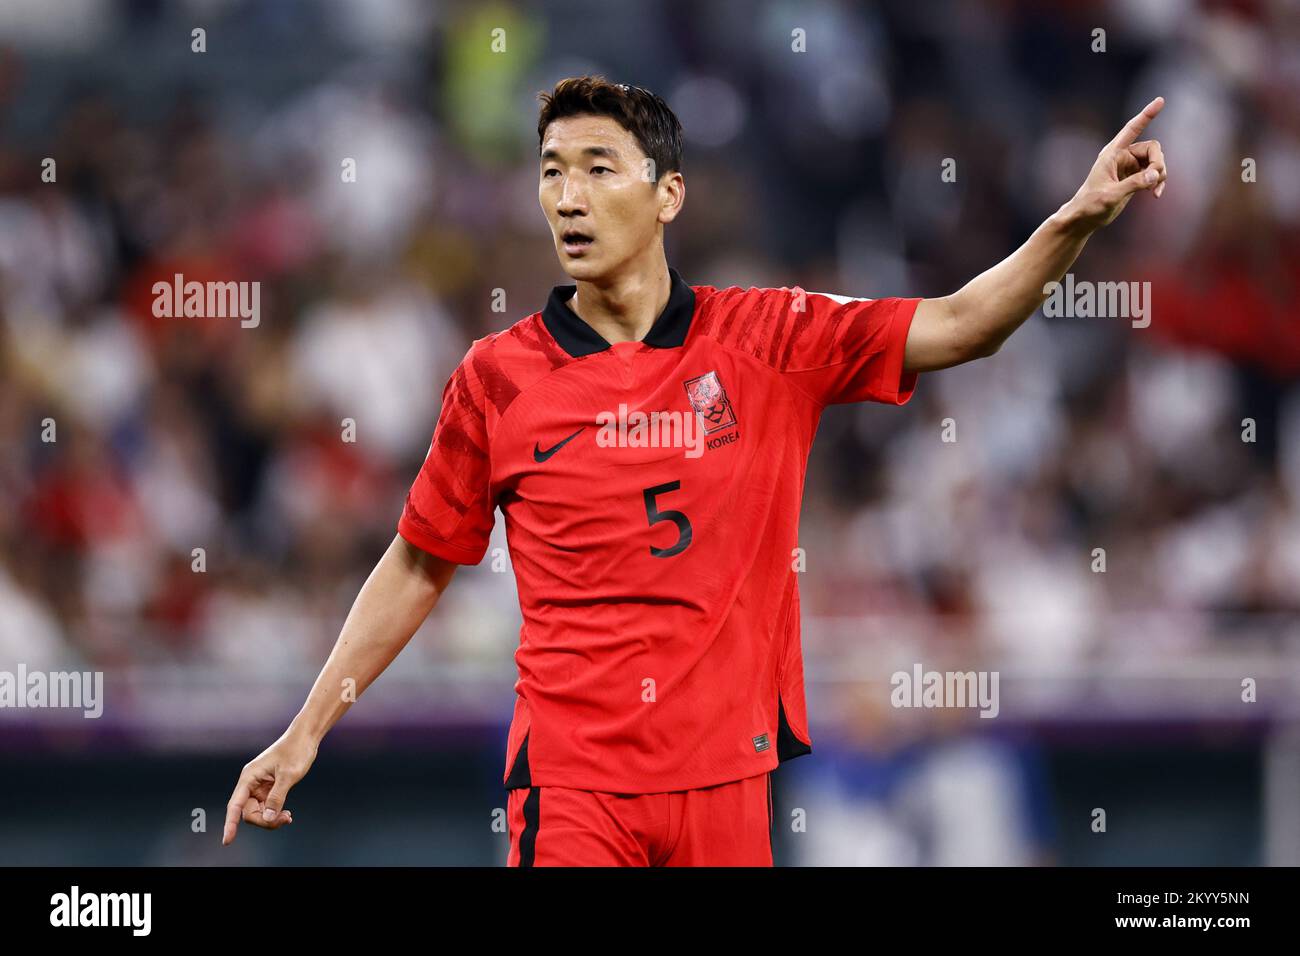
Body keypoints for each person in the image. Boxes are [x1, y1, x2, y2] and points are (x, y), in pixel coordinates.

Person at [222, 76, 1167, 865]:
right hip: (573, 783)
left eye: (598, 168)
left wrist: (1076, 221)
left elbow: (963, 323)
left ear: (668, 193)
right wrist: (307, 727)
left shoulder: (769, 338)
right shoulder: (497, 377)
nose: (567, 196)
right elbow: (421, 560)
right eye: (551, 172)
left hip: (727, 784)